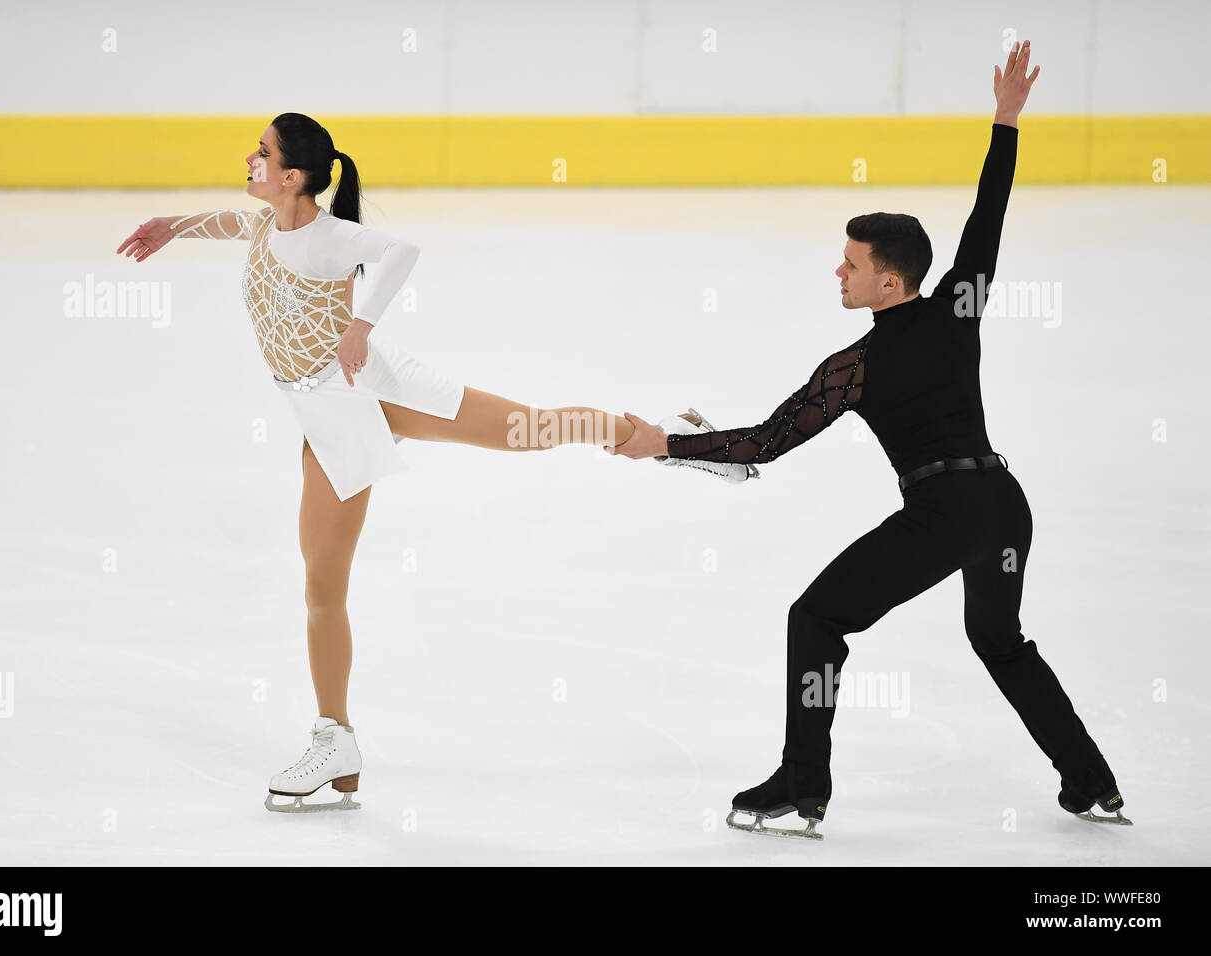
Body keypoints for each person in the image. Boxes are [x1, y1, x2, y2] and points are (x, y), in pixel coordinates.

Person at [115, 112, 751, 813]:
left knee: (527, 430)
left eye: (260, 154)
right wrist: (173, 224)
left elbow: (402, 250)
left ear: (291, 176)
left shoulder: (329, 237)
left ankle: (671, 439)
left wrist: (360, 326)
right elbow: (239, 230)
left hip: (367, 396)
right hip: (324, 413)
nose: (249, 159)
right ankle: (338, 740)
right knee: (321, 588)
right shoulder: (269, 223)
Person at [614, 41, 1130, 838]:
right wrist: (1006, 120)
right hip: (1003, 503)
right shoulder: (960, 306)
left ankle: (802, 780)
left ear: (889, 281)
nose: (838, 273)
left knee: (816, 619)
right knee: (998, 637)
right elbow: (987, 216)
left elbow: (765, 443)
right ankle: (1090, 778)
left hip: (946, 510)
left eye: (850, 265)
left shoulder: (855, 366)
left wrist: (665, 447)